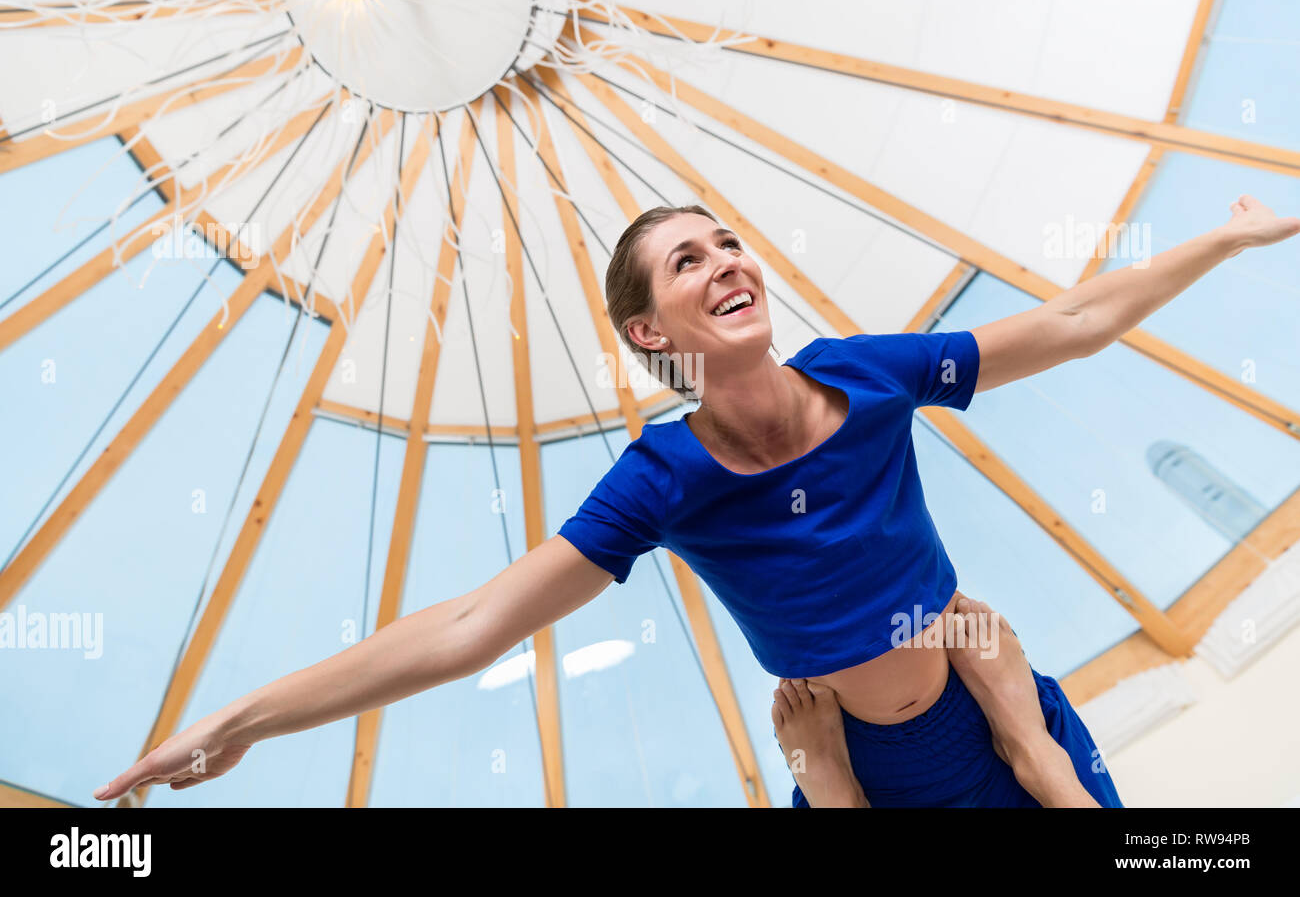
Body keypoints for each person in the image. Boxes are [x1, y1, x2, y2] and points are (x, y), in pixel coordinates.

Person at [93, 196, 1299, 807]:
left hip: (994, 707)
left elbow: (1074, 322)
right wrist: (246, 717)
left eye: (727, 243)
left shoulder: (865, 372)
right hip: (856, 772)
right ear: (648, 332)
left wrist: (1226, 241)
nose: (725, 262)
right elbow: (464, 627)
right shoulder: (663, 479)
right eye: (687, 262)